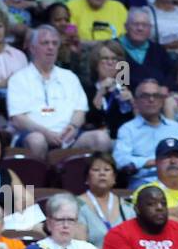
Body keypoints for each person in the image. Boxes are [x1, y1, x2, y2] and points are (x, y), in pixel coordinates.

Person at [9, 26, 112, 160]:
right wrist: (45, 133)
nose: (50, 47)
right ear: (33, 48)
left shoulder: (69, 77)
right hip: (35, 135)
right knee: (37, 140)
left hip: (69, 137)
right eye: (45, 43)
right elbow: (18, 119)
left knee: (101, 138)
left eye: (54, 43)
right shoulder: (19, 78)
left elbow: (80, 111)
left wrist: (73, 127)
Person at [79, 152, 135, 245]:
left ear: (114, 178)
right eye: (96, 170)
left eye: (107, 170)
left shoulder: (127, 208)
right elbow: (79, 246)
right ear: (87, 178)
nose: (102, 173)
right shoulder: (75, 206)